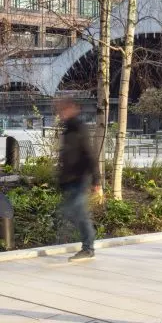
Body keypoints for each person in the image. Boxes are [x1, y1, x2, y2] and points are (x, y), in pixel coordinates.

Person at [56, 98, 100, 262]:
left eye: (63, 110)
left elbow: (90, 155)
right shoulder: (67, 129)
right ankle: (86, 242)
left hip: (80, 179)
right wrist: (61, 179)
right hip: (69, 180)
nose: (60, 113)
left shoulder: (80, 128)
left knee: (77, 213)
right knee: (70, 213)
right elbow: (65, 156)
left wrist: (96, 180)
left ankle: (88, 248)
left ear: (72, 109)